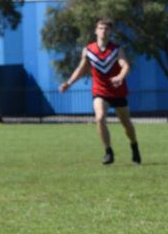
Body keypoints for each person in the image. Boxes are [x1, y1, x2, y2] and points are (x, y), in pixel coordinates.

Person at [59, 18, 141, 165]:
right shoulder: (88, 50)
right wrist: (68, 83)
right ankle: (108, 152)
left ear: (111, 32)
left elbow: (125, 66)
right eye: (101, 28)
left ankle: (134, 146)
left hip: (118, 91)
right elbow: (81, 69)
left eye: (106, 28)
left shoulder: (116, 49)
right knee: (100, 118)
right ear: (96, 31)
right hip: (100, 91)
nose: (103, 31)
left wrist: (120, 76)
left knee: (126, 124)